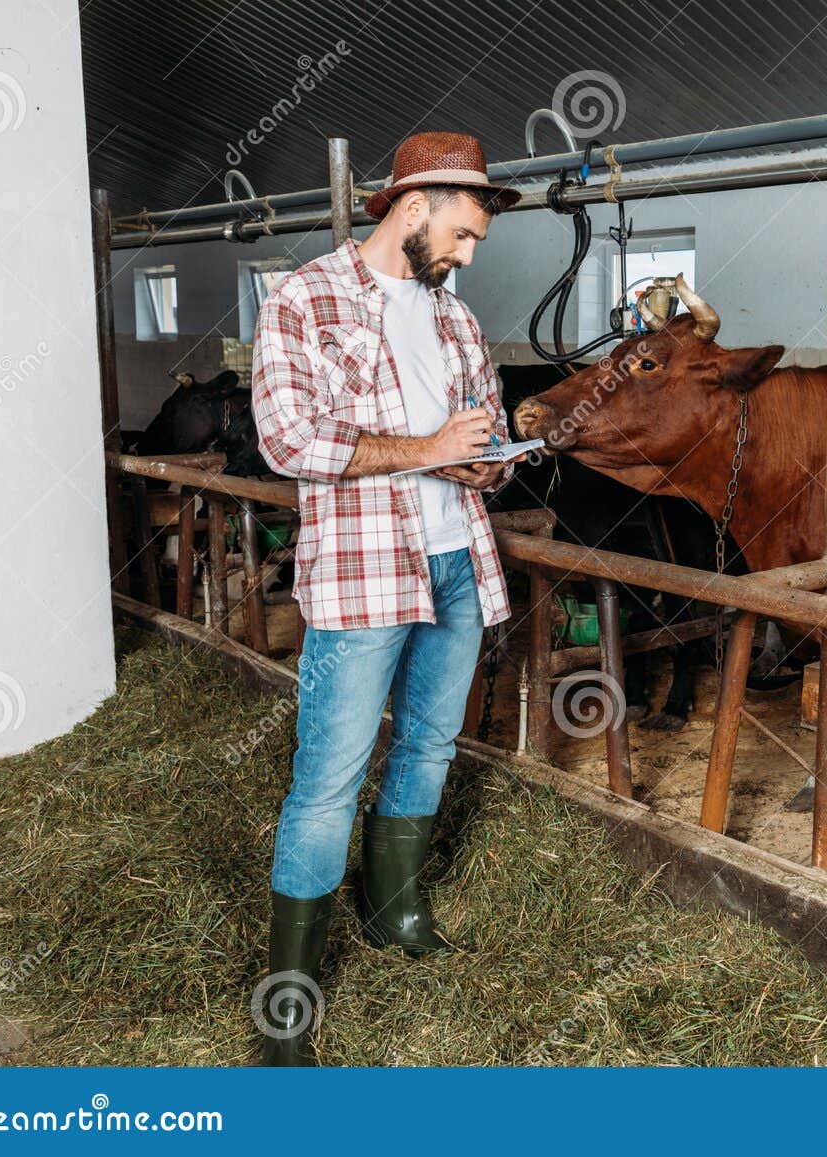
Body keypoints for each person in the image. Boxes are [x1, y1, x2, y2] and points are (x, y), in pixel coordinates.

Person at [249, 131, 520, 1065]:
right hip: (365, 572)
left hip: (454, 561)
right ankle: (287, 1010)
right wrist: (431, 448)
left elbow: (477, 423)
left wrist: (486, 464)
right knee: (325, 788)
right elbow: (292, 443)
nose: (468, 254)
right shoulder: (306, 299)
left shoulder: (456, 320)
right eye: (463, 234)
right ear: (414, 208)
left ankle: (394, 907)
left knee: (431, 741)